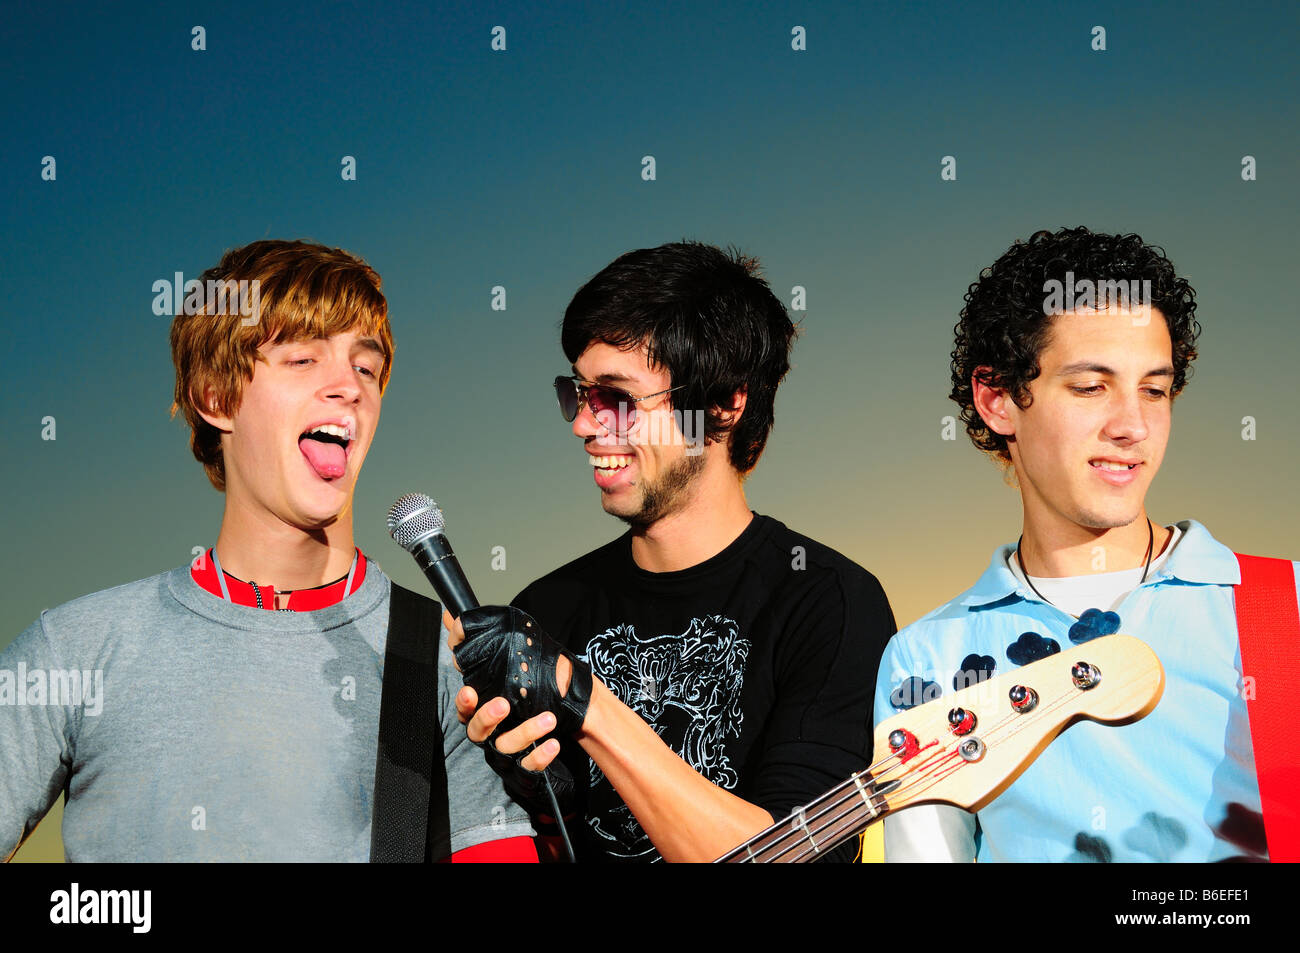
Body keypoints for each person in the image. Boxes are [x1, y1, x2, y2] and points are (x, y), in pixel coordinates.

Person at [0, 239, 534, 862]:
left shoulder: (445, 659)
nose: (348, 387)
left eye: (366, 367)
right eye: (304, 359)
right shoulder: (74, 648)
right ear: (216, 398)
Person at [446, 241, 897, 862]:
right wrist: (533, 794)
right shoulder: (547, 605)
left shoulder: (828, 600)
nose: (583, 424)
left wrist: (584, 702)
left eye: (616, 399)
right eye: (578, 394)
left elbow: (789, 856)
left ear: (723, 403)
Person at [872, 226, 1297, 862]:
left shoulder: (1284, 607)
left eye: (1154, 389)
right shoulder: (926, 659)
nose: (1132, 425)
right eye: (1091, 386)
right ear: (998, 400)